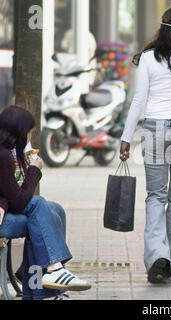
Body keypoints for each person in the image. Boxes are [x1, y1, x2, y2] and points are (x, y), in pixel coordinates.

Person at [119, 7, 171, 284]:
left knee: (156, 196)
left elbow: (139, 100)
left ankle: (157, 258)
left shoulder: (148, 58)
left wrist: (126, 137)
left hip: (154, 127)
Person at [0, 105, 91, 300]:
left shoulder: (6, 154)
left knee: (55, 210)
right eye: (29, 132)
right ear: (18, 131)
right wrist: (34, 170)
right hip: (2, 220)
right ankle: (52, 272)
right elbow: (19, 203)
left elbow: (12, 197)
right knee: (39, 211)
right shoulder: (3, 156)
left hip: (4, 213)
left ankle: (38, 274)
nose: (29, 138)